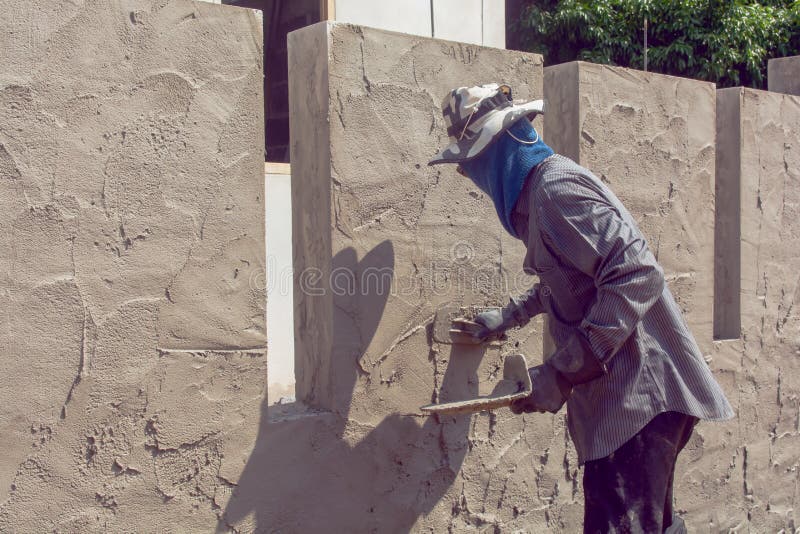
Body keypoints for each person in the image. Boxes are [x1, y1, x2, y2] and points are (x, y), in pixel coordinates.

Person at [429, 83, 734, 534]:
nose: (465, 173)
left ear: (497, 150)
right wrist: (509, 316)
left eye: (469, 162)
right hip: (627, 406)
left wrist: (562, 372)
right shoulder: (539, 197)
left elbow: (637, 273)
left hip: (638, 400)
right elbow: (571, 280)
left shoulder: (554, 191)